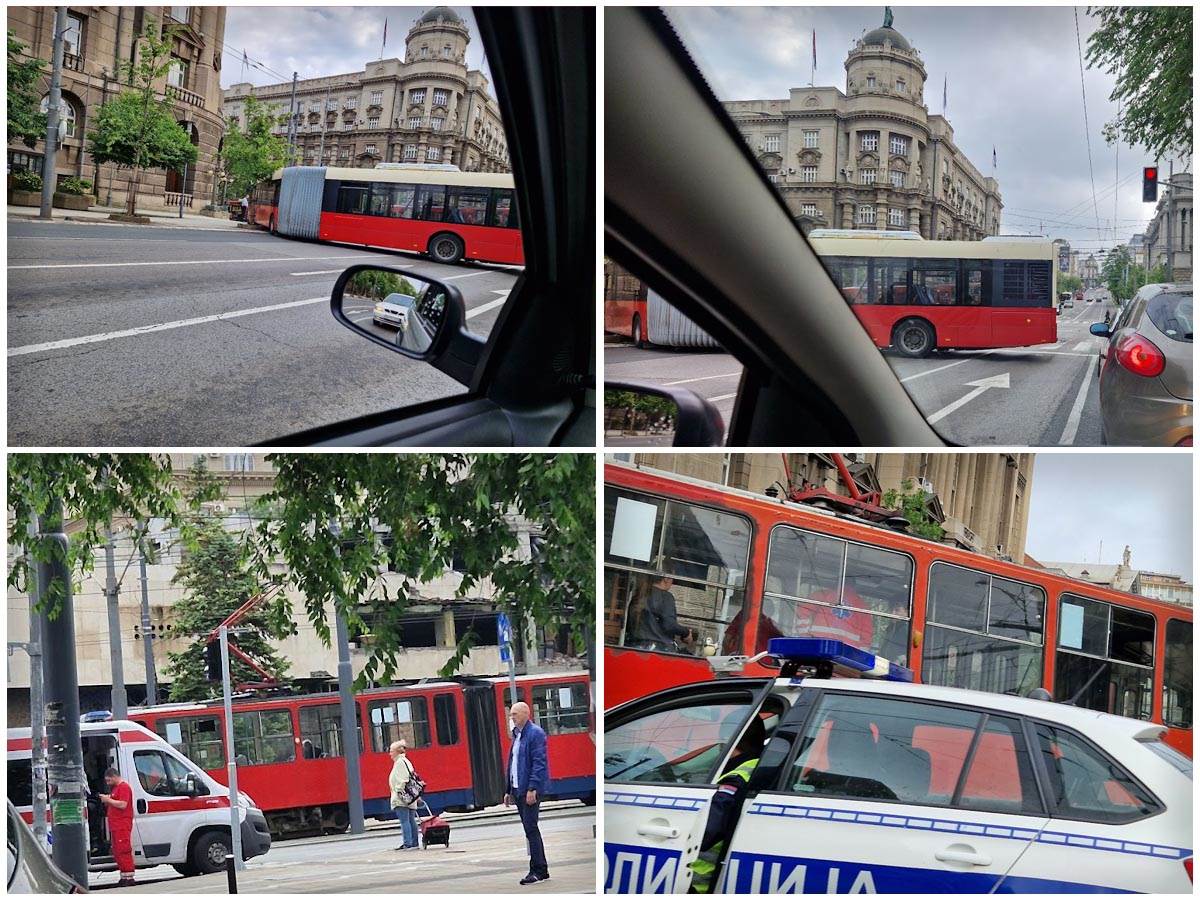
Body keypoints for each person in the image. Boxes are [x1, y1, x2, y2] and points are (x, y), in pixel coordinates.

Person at [689, 715, 767, 894]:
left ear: (728, 740)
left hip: (700, 883)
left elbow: (706, 832)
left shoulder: (736, 778)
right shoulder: (759, 766)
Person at [505, 701, 549, 885]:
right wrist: (508, 790)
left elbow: (539, 763)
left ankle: (538, 870)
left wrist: (532, 788)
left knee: (531, 828)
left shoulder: (535, 734)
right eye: (511, 714)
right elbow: (513, 764)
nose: (512, 717)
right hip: (518, 789)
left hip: (529, 790)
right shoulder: (518, 735)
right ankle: (541, 869)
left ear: (525, 713)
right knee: (529, 829)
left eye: (515, 714)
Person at [632, 574, 694, 652]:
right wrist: (686, 633)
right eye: (672, 578)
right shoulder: (666, 596)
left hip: (635, 646)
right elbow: (669, 625)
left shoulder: (639, 594)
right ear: (666, 578)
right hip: (659, 650)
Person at [98, 767, 136, 887]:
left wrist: (108, 800)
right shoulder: (115, 789)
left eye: (109, 780)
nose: (108, 783)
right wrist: (109, 797)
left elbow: (123, 804)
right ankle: (123, 875)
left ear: (114, 776)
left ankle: (129, 877)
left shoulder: (124, 787)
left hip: (122, 824)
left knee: (124, 849)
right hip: (115, 825)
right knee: (117, 850)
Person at [388, 740, 420, 851]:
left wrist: (398, 792)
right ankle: (414, 842)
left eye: (391, 751)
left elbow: (403, 780)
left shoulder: (400, 763)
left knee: (405, 821)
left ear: (397, 751)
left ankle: (408, 843)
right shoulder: (406, 761)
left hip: (402, 797)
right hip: (410, 796)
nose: (390, 753)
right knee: (411, 820)